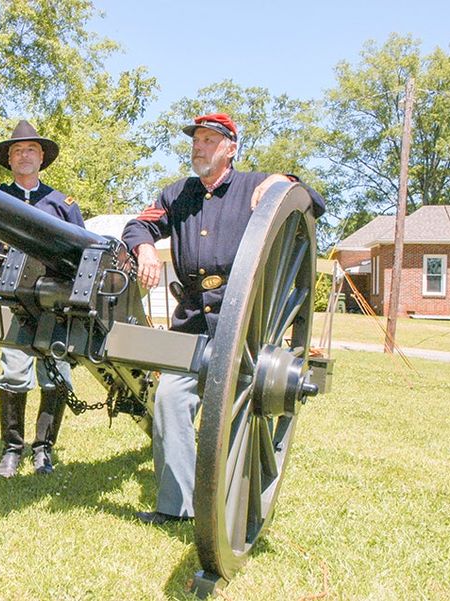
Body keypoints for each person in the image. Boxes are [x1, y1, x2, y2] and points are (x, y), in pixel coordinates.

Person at [121, 112, 326, 524]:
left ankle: (228, 503)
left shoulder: (256, 187)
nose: (200, 147)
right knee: (170, 398)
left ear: (231, 148)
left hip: (242, 325)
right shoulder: (176, 195)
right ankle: (177, 507)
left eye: (210, 140)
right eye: (196, 140)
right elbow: (137, 226)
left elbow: (312, 203)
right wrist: (143, 248)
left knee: (230, 413)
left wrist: (285, 181)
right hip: (193, 321)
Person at [0, 120, 85, 477]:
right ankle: (11, 449)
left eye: (31, 150)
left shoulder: (62, 204)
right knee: (14, 372)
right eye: (18, 150)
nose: (24, 155)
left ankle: (44, 450)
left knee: (55, 373)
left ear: (41, 158)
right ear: (9, 158)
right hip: (12, 297)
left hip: (55, 298)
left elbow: (82, 250)